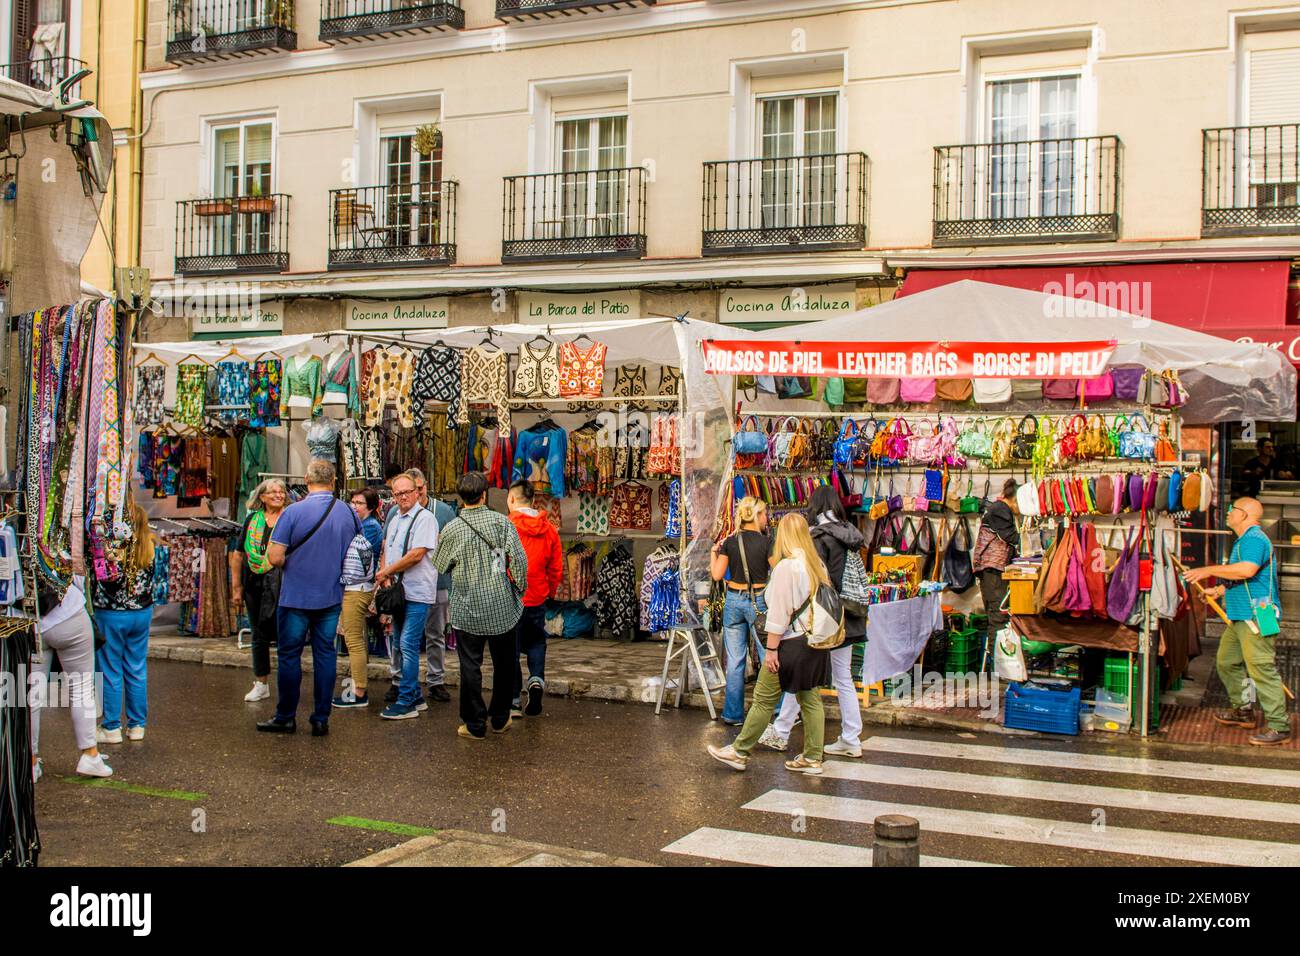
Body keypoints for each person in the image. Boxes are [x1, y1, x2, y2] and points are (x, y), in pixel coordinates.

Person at [708, 513, 831, 775]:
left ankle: (740, 750)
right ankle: (812, 757)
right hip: (813, 641)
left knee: (764, 699)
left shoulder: (787, 567)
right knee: (810, 699)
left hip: (790, 643)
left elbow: (779, 613)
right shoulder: (816, 564)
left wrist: (772, 649)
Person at [258, 459, 359, 737]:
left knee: (290, 655)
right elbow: (358, 551)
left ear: (306, 478)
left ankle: (286, 716)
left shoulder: (292, 513)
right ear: (334, 480)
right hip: (331, 594)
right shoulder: (349, 514)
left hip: (295, 597)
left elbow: (275, 557)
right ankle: (320, 718)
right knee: (325, 654)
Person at [762, 486, 866, 757]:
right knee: (844, 678)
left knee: (801, 676)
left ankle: (782, 731)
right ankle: (852, 737)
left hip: (822, 619)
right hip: (850, 616)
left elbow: (813, 580)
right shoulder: (850, 534)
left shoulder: (820, 538)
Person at [1185, 497, 1292, 746]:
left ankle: (1279, 725)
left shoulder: (1254, 539)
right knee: (1226, 662)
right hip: (1241, 615)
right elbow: (1240, 579)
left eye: (1232, 510)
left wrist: (1208, 570)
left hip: (1257, 614)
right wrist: (1219, 590)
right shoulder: (1244, 541)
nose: (1228, 513)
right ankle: (1242, 709)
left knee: (1262, 669)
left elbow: (1247, 570)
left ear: (1244, 515)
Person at [431, 471, 528, 740]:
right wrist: (519, 589)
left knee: (470, 666)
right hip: (501, 605)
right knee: (505, 663)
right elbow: (519, 561)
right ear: (484, 494)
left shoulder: (452, 528)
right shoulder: (503, 523)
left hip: (467, 605)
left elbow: (439, 565)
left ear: (461, 498)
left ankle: (474, 724)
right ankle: (500, 717)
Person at [91, 502, 159, 743]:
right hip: (141, 613)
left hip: (111, 613)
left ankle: (111, 726)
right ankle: (137, 725)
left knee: (110, 669)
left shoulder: (111, 551)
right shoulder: (150, 550)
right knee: (136, 668)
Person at [31, 578, 111, 779]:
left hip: (28, 618)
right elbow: (77, 575)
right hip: (67, 610)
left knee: (31, 695)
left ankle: (30, 761)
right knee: (82, 687)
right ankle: (90, 754)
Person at [374, 473, 440, 720]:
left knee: (408, 645)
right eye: (397, 493)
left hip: (417, 592)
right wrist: (386, 574)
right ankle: (416, 697)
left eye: (406, 492)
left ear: (417, 492)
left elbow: (416, 554)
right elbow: (386, 549)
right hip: (399, 592)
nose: (401, 497)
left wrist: (386, 572)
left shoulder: (425, 519)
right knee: (400, 644)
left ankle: (406, 701)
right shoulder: (395, 519)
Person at [710, 496, 771, 726]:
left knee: (735, 660)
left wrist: (713, 553)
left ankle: (733, 714)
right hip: (759, 602)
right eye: (764, 513)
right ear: (756, 516)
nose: (766, 518)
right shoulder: (766, 543)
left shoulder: (730, 542)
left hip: (733, 600)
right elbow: (778, 568)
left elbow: (717, 575)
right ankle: (774, 709)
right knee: (769, 656)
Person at [507, 479, 563, 719]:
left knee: (511, 648)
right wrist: (549, 591)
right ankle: (536, 680)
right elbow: (556, 566)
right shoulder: (549, 529)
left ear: (511, 499)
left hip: (511, 597)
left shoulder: (506, 526)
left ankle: (513, 701)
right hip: (537, 595)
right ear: (532, 501)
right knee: (537, 642)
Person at [230, 478, 287, 702]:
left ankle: (286, 684)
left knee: (285, 634)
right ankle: (261, 683)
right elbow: (238, 555)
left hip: (282, 584)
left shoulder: (289, 519)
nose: (278, 495)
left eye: (281, 491)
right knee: (258, 634)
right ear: (261, 497)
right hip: (253, 582)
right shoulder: (252, 519)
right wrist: (236, 588)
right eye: (272, 492)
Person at [333, 487, 384, 708]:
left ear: (371, 507)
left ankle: (358, 692)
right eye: (352, 502)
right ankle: (357, 687)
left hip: (358, 588)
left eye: (359, 503)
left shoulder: (369, 527)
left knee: (353, 639)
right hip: (357, 587)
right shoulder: (361, 525)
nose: (354, 506)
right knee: (356, 639)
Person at [972, 478, 1020, 666]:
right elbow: (1011, 537)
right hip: (992, 571)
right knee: (998, 616)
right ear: (1015, 500)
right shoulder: (1000, 509)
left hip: (993, 571)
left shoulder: (1001, 509)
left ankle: (997, 664)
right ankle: (998, 666)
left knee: (997, 615)